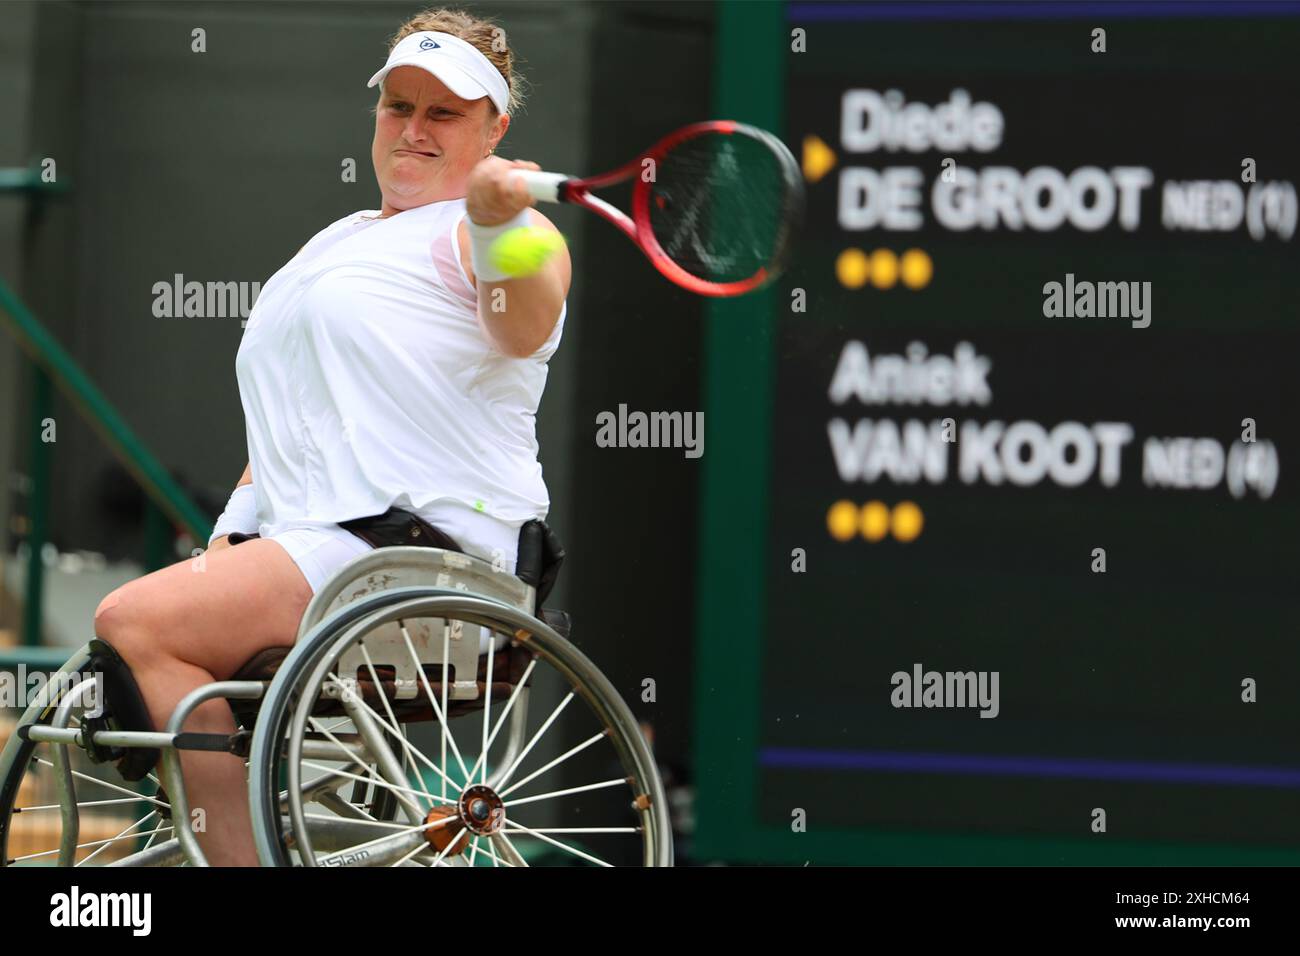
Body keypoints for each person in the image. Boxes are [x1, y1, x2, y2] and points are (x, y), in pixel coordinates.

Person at [92, 7, 571, 866]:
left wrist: (501, 227)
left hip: (425, 556)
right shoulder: (338, 242)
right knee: (113, 662)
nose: (413, 130)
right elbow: (291, 415)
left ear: (496, 127)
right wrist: (234, 532)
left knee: (136, 621)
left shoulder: (508, 233)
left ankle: (234, 853)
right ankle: (236, 826)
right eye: (398, 107)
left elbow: (521, 324)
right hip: (323, 548)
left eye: (444, 113)